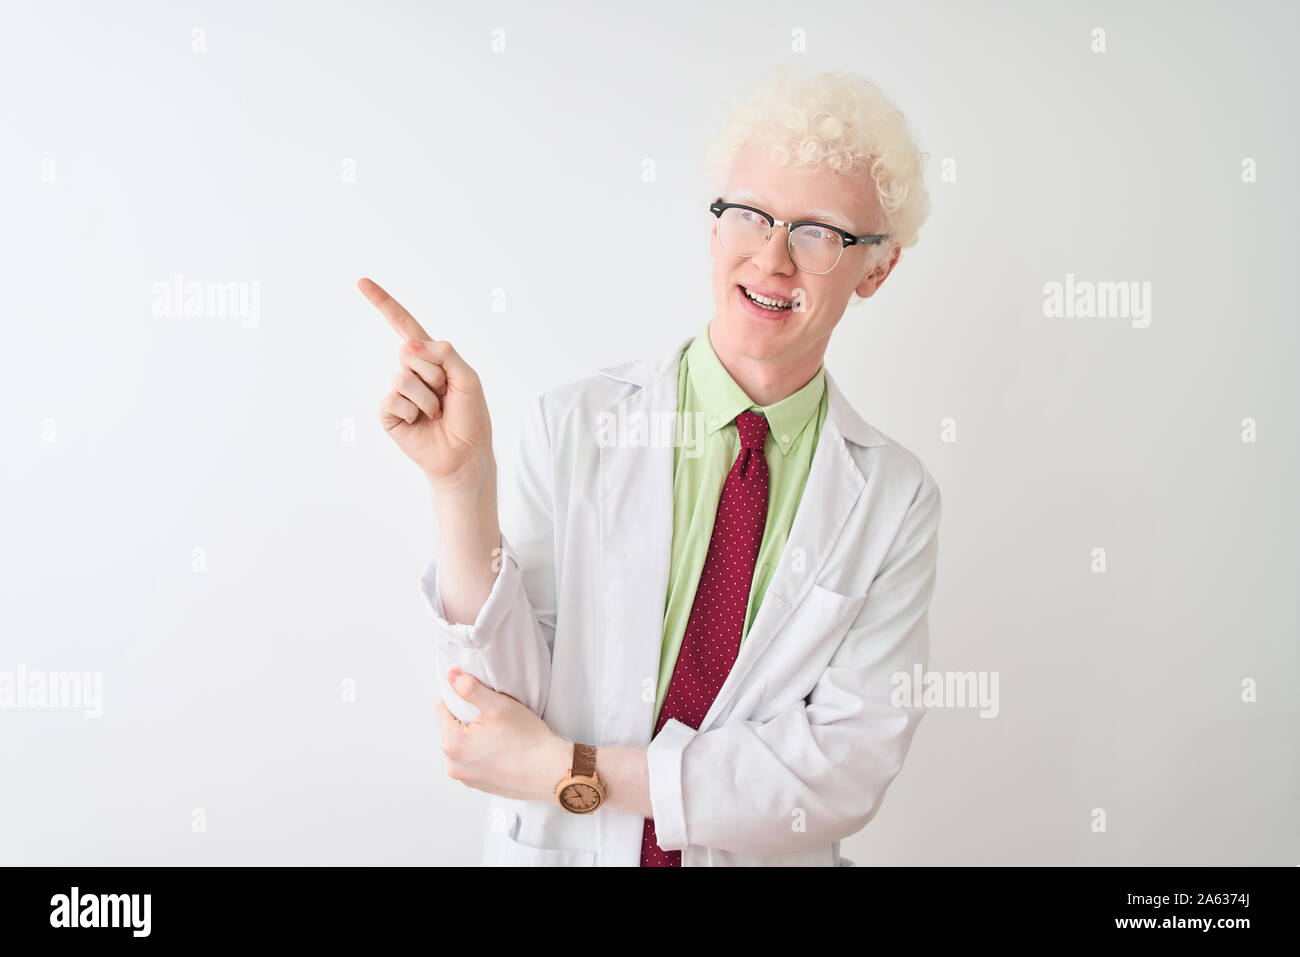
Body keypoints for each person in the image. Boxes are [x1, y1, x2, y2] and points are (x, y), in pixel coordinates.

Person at [359, 65, 940, 866]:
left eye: (818, 231)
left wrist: (570, 771)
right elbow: (491, 716)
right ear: (714, 228)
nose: (772, 257)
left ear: (877, 267)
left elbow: (839, 775)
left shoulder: (895, 499)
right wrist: (461, 488)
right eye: (750, 215)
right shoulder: (574, 426)